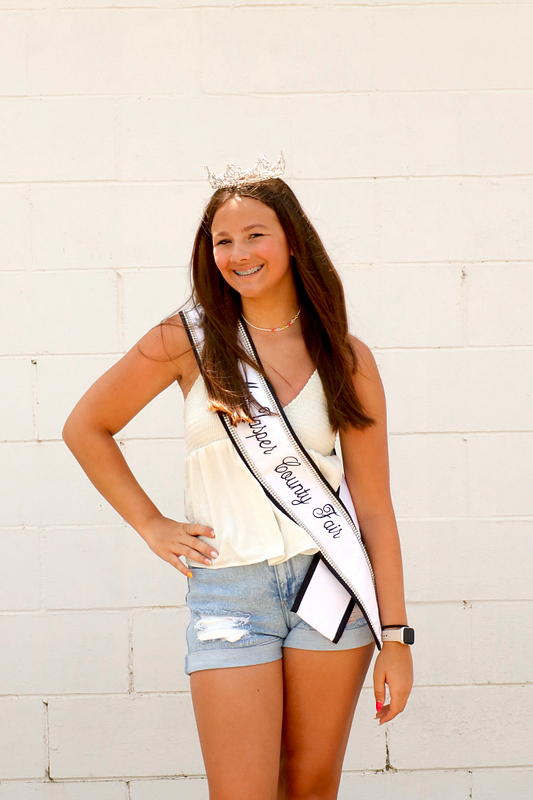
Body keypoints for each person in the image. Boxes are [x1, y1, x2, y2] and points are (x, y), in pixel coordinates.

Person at [63, 155, 413, 800]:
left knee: (309, 786)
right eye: (222, 240)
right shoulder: (186, 339)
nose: (237, 252)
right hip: (230, 596)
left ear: (291, 242)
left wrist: (396, 637)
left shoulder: (344, 354)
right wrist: (151, 523)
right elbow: (86, 426)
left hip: (328, 588)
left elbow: (375, 508)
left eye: (255, 235)